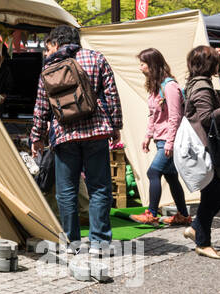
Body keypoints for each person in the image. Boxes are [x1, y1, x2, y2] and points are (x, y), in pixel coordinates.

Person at [30, 24, 122, 255]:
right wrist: (115, 125)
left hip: (64, 134)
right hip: (96, 131)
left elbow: (41, 107)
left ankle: (72, 243)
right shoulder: (96, 59)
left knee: (66, 190)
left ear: (56, 42)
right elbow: (111, 95)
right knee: (99, 187)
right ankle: (99, 243)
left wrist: (37, 137)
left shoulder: (49, 68)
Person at [180, 46, 220, 259]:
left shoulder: (196, 82)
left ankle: (197, 228)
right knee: (213, 194)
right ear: (210, 65)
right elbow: (206, 118)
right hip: (208, 148)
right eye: (216, 61)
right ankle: (203, 242)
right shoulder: (202, 87)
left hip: (210, 147)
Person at [134, 47, 186, 226]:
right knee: (171, 177)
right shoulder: (155, 87)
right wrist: (148, 135)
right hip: (160, 138)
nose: (140, 68)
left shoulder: (169, 87)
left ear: (152, 65)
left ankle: (151, 213)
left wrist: (170, 142)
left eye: (143, 64)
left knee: (153, 172)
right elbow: (154, 115)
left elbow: (175, 117)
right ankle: (183, 215)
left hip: (169, 140)